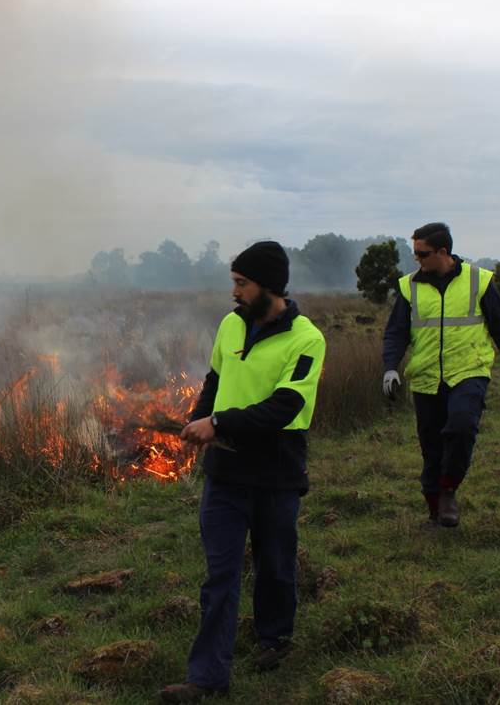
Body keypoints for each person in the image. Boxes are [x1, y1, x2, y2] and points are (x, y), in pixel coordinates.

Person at [159, 241, 326, 703]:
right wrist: (199, 420)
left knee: (274, 565)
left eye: (240, 283)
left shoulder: (308, 339)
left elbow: (285, 406)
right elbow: (215, 379)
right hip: (226, 474)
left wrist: (217, 423)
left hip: (276, 473)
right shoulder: (231, 324)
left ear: (267, 286)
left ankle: (274, 638)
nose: (233, 292)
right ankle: (208, 676)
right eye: (233, 282)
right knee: (220, 575)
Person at [382, 222, 500, 528]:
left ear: (443, 252)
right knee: (431, 446)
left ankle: (448, 489)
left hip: (469, 370)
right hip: (426, 376)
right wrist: (390, 367)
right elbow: (396, 332)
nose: (417, 259)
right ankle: (435, 510)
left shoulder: (478, 281)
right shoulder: (409, 286)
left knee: (461, 427)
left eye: (422, 253)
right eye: (415, 253)